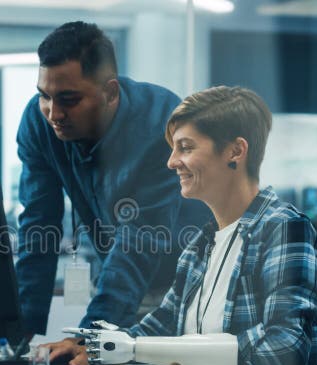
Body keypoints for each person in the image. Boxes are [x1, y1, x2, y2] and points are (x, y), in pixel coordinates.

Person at [46, 86, 317, 365]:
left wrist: (135, 348)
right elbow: (159, 327)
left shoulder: (284, 229)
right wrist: (91, 346)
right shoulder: (200, 245)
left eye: (185, 147)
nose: (171, 162)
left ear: (235, 152)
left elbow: (284, 349)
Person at [16, 21, 211, 336]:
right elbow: (38, 226)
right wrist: (18, 337)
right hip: (117, 280)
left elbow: (142, 239)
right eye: (45, 96)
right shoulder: (39, 123)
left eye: (69, 99)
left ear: (109, 92)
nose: (54, 113)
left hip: (185, 291)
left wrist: (92, 336)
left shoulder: (163, 123)